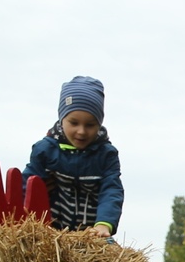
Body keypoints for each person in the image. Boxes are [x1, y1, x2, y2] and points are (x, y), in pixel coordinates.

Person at [23, 76, 123, 238]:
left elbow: (111, 190)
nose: (81, 131)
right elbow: (27, 186)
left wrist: (104, 224)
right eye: (74, 123)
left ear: (99, 124)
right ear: (62, 120)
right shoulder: (45, 150)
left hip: (89, 234)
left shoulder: (106, 154)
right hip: (50, 233)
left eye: (90, 125)